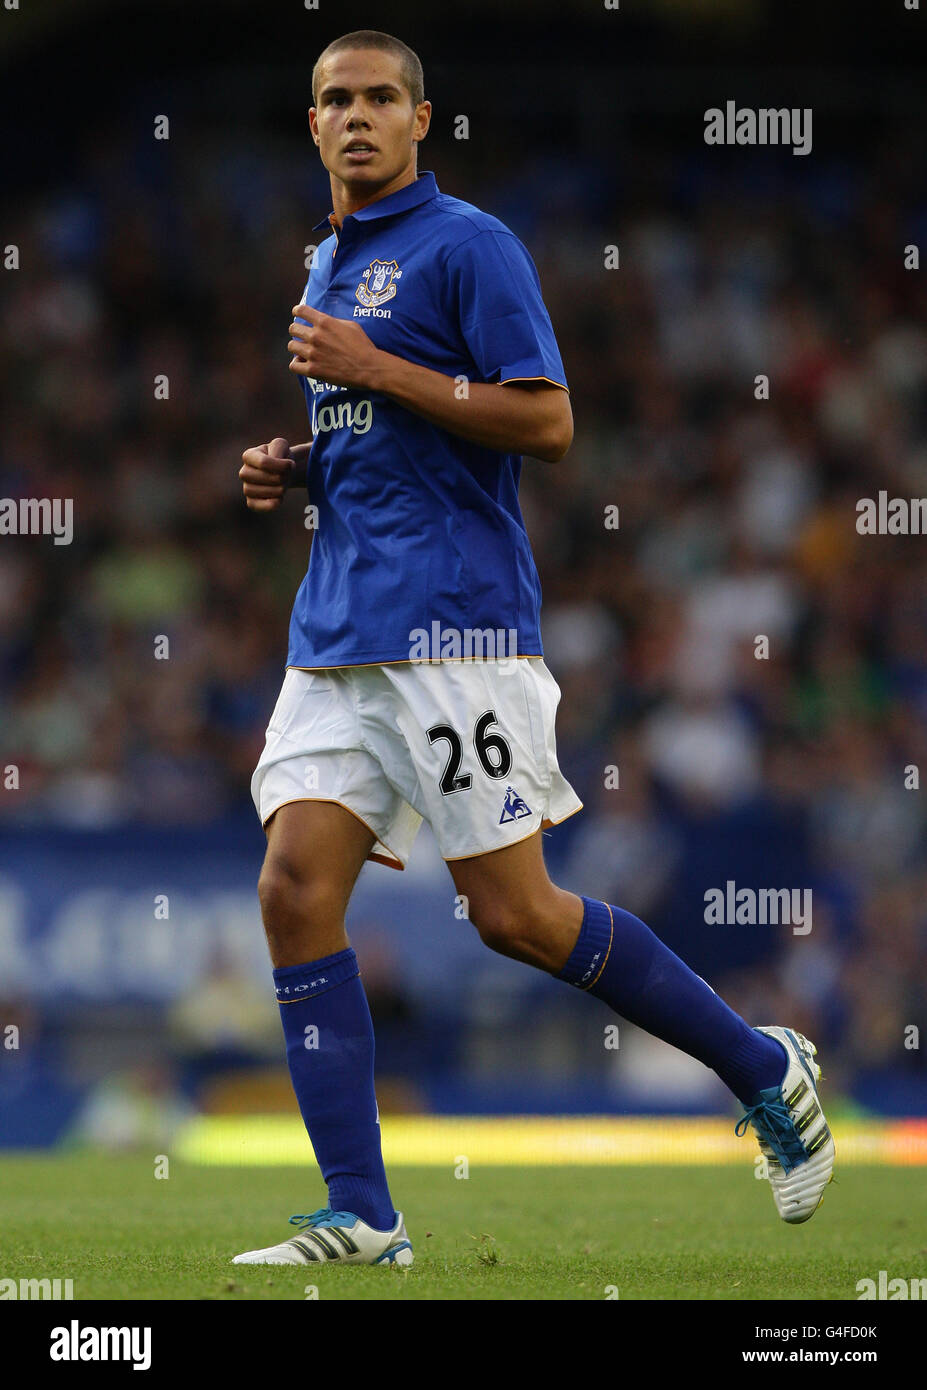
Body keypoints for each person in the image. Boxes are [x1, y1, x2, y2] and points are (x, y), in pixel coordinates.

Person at [233, 29, 833, 1268]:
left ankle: (765, 1066)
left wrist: (378, 367)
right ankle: (365, 1215)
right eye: (335, 101)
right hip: (337, 625)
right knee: (294, 889)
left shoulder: (471, 247)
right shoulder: (323, 267)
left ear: (420, 119)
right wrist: (294, 466)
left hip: (454, 627)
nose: (356, 117)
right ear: (312, 127)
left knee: (513, 913)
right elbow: (379, 441)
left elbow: (547, 423)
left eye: (380, 99)